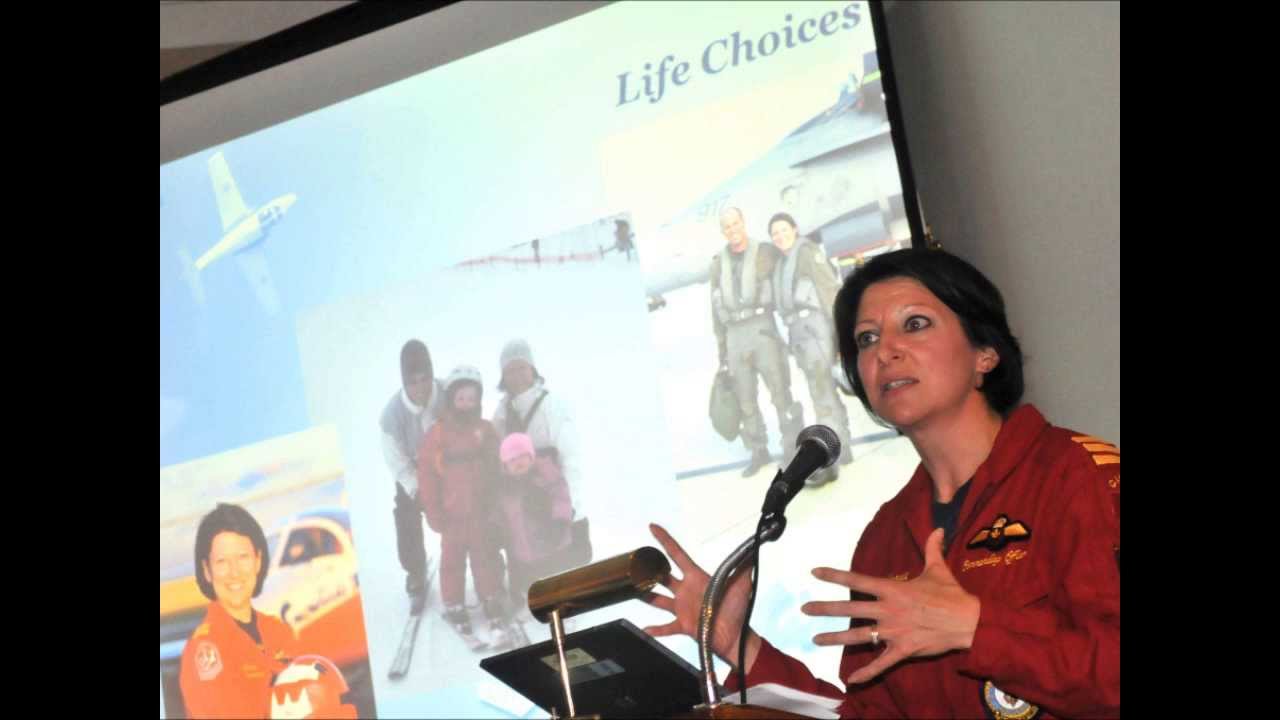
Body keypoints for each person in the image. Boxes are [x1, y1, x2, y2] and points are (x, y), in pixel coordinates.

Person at [644, 248, 1120, 718]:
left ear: (985, 353)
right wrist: (739, 645)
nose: (884, 352)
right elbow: (865, 713)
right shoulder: (884, 540)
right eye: (866, 339)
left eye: (914, 325)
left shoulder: (1082, 476)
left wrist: (976, 628)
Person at [179, 503, 300, 719]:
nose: (234, 572)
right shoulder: (204, 651)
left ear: (258, 560)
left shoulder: (280, 632)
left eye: (243, 557)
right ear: (207, 570)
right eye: (222, 561)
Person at [709, 206, 804, 477]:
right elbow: (714, 314)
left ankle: (793, 447)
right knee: (745, 400)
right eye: (727, 226)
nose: (732, 230)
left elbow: (788, 278)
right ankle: (758, 450)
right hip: (734, 336)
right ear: (722, 231)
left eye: (736, 223)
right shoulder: (717, 264)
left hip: (763, 330)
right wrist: (722, 353)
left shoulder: (765, 252)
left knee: (780, 393)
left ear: (743, 222)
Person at [418, 365, 508, 640]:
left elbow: (497, 468)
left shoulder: (485, 430)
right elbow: (427, 476)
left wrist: (496, 505)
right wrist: (433, 512)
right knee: (452, 562)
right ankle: (454, 603)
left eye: (472, 398)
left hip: (481, 513)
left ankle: (490, 598)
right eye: (461, 399)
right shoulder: (438, 434)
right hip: (451, 515)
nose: (466, 404)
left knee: (485, 559)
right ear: (451, 400)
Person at [768, 212, 855, 484]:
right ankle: (844, 450)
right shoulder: (784, 261)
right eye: (775, 233)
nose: (780, 236)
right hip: (802, 334)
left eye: (784, 230)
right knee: (824, 392)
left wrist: (840, 338)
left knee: (822, 396)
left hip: (815, 330)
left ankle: (832, 461)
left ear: (795, 229)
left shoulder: (807, 253)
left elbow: (830, 292)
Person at [379, 340, 440, 615]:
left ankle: (487, 556)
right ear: (404, 382)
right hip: (413, 472)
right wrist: (419, 490)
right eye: (412, 381)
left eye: (425, 378)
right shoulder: (391, 417)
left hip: (450, 465)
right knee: (405, 513)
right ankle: (415, 571)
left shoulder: (448, 392)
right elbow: (398, 465)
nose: (420, 386)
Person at [493, 432, 574, 611]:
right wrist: (497, 531)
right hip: (523, 549)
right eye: (512, 460)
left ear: (532, 457)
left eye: (523, 457)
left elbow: (561, 498)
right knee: (530, 580)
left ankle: (562, 607)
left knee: (554, 578)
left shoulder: (546, 474)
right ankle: (533, 604)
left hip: (551, 541)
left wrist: (560, 523)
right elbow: (500, 514)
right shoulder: (505, 488)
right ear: (505, 465)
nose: (519, 462)